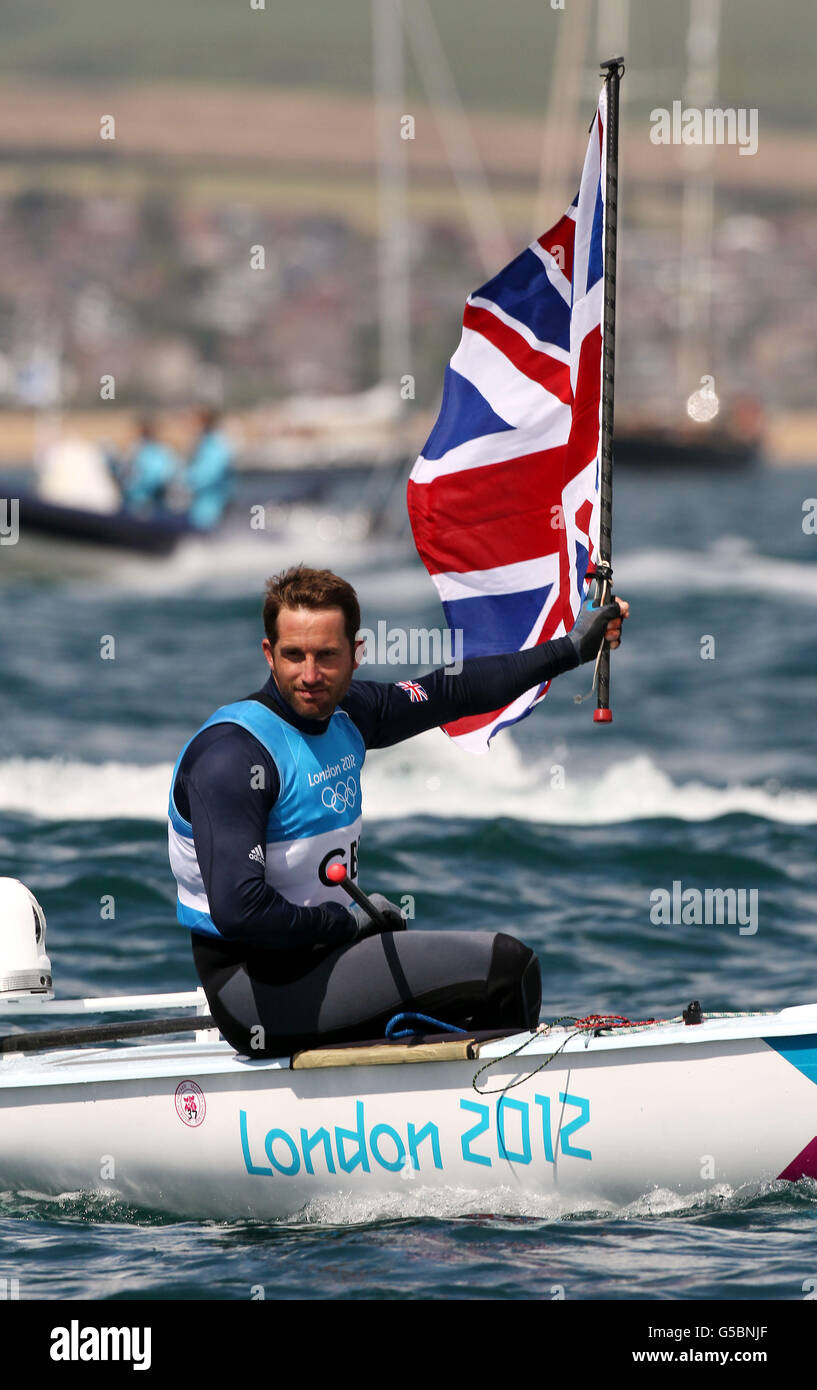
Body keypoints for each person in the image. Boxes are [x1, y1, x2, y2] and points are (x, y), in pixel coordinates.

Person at [167, 566, 629, 1057]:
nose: (309, 675)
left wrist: (571, 649)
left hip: (321, 959)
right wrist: (346, 923)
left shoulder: (349, 713)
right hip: (256, 991)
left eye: (327, 656)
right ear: (268, 653)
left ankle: (426, 1103)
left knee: (469, 979)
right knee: (506, 969)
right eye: (293, 655)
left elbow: (453, 690)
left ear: (356, 654)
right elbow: (241, 911)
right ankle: (483, 1113)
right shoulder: (233, 757)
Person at [182, 408, 235, 529]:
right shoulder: (205, 443)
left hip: (212, 508)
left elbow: (208, 474)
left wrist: (185, 483)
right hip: (201, 507)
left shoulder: (216, 444)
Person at [121, 419, 179, 512]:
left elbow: (159, 478)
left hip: (155, 504)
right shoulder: (134, 450)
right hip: (135, 503)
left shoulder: (162, 451)